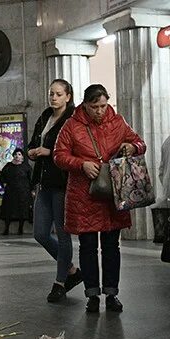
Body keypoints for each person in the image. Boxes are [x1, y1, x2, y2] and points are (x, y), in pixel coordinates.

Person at [53, 83, 146, 313]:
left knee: (112, 246)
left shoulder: (118, 122)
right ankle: (92, 295)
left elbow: (140, 143)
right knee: (87, 247)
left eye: (103, 106)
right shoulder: (72, 126)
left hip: (113, 195)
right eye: (95, 106)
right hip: (84, 195)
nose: (100, 111)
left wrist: (131, 147)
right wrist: (81, 164)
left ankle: (112, 294)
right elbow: (59, 156)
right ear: (85, 105)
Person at [28, 79, 83, 303]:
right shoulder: (45, 116)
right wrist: (32, 151)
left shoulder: (73, 119)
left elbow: (74, 149)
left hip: (63, 182)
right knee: (40, 233)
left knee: (62, 233)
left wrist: (48, 151)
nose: (54, 98)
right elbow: (32, 141)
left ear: (68, 96)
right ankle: (70, 269)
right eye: (51, 93)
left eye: (59, 94)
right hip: (43, 181)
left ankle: (60, 282)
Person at [0, 148, 31, 235]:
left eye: (19, 154)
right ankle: (6, 228)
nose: (17, 156)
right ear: (13, 156)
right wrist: (4, 183)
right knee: (8, 210)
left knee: (22, 210)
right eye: (16, 154)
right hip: (10, 192)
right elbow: (2, 176)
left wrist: (32, 190)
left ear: (22, 157)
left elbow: (30, 179)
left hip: (23, 192)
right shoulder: (8, 166)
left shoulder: (26, 167)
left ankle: (20, 228)